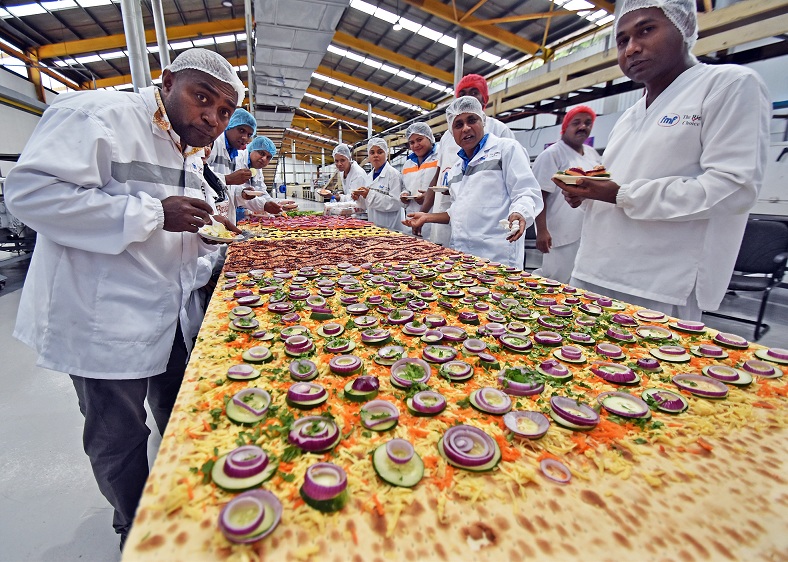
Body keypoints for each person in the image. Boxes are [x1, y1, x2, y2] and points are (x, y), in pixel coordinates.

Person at [4, 48, 244, 548]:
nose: (213, 117)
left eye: (224, 111)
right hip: (103, 316)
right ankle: (135, 528)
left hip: (166, 309)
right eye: (203, 98)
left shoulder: (186, 149)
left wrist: (210, 241)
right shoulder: (98, 116)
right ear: (168, 81)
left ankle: (182, 499)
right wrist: (153, 214)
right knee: (118, 433)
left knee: (179, 407)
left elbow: (180, 223)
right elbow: (30, 194)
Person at [557, 0, 770, 320]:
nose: (631, 48)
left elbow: (733, 188)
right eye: (622, 41)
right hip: (593, 270)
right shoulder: (629, 115)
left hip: (660, 284)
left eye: (646, 30)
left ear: (684, 27)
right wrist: (587, 193)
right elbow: (618, 181)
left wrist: (620, 194)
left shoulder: (726, 85)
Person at [404, 97, 543, 268]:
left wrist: (520, 212)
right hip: (463, 256)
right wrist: (427, 217)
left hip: (497, 256)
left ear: (482, 122)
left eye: (471, 120)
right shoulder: (456, 169)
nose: (466, 128)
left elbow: (526, 191)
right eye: (458, 125)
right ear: (452, 133)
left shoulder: (506, 150)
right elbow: (458, 212)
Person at [422, 74, 516, 247]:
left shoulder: (501, 133)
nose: (465, 129)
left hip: (490, 229)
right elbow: (439, 174)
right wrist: (425, 214)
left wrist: (520, 213)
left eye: (474, 92)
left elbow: (521, 187)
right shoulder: (447, 137)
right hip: (449, 213)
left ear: (484, 98)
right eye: (462, 93)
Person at [532, 106, 602, 283]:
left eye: (587, 123)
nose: (582, 127)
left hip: (586, 230)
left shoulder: (592, 155)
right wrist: (541, 231)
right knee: (555, 280)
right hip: (559, 233)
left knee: (579, 282)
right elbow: (539, 195)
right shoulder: (552, 154)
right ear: (565, 127)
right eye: (576, 123)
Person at [351, 137, 406, 232]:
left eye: (380, 152)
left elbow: (396, 203)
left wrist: (369, 195)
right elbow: (367, 205)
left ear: (386, 154)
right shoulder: (369, 177)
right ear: (369, 156)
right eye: (372, 153)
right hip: (375, 227)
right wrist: (359, 199)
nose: (375, 155)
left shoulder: (393, 175)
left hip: (392, 227)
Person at [400, 122, 439, 238]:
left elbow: (447, 186)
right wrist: (404, 194)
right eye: (412, 142)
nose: (416, 145)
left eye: (419, 140)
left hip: (433, 219)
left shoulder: (440, 157)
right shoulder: (408, 164)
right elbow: (404, 186)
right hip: (411, 217)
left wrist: (429, 195)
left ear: (429, 138)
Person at [206, 107, 256, 187]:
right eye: (241, 130)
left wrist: (241, 192)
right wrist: (228, 179)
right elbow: (199, 174)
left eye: (249, 135)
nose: (245, 137)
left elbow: (230, 188)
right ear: (230, 125)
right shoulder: (213, 143)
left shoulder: (234, 154)